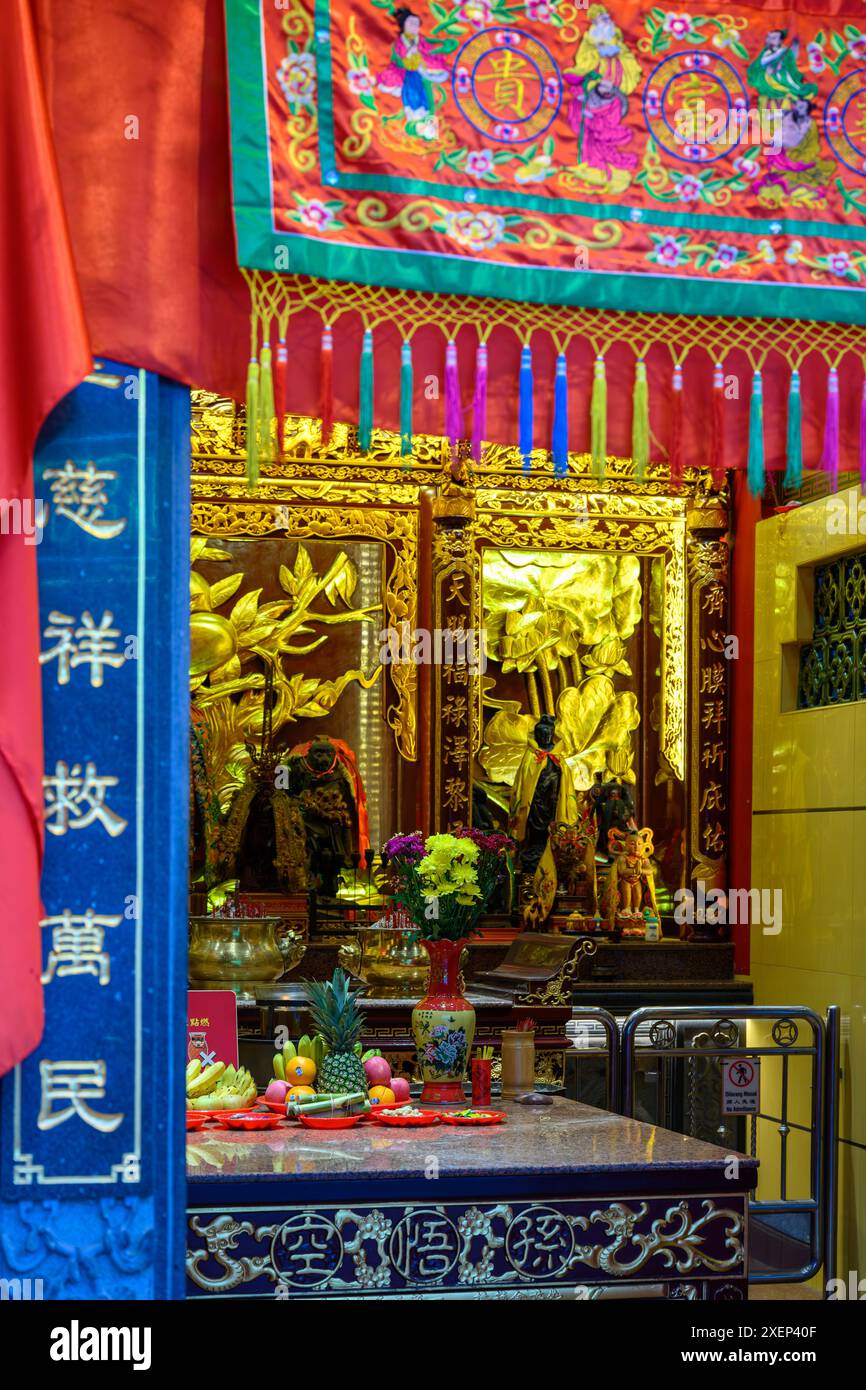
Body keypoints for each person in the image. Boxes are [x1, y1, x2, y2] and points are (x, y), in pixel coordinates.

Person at [378, 7, 448, 137]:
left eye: (416, 24)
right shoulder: (399, 43)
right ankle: (415, 129)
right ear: (403, 25)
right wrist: (408, 55)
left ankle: (430, 132)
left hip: (423, 74)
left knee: (429, 101)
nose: (414, 26)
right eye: (410, 23)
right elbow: (397, 59)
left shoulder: (422, 41)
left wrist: (423, 58)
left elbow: (430, 53)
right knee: (413, 101)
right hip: (408, 75)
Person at [753, 98, 834, 197]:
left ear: (807, 109)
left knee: (805, 167)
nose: (797, 108)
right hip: (781, 153)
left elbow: (813, 143)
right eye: (797, 105)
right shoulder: (787, 114)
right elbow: (767, 118)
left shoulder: (810, 123)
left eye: (801, 106)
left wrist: (803, 156)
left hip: (799, 155)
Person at [566, 74, 637, 178]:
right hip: (587, 130)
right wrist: (580, 103)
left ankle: (598, 170)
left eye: (608, 88)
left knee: (604, 143)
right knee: (587, 142)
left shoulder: (615, 102)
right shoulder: (589, 94)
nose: (604, 90)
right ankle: (591, 168)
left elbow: (610, 122)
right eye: (601, 86)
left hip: (603, 132)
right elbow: (576, 112)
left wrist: (593, 120)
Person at [747, 29, 817, 106]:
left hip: (782, 91)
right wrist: (765, 71)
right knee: (764, 114)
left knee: (783, 112)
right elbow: (755, 67)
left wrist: (776, 71)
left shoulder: (785, 52)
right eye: (768, 37)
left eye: (773, 38)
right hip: (765, 92)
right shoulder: (765, 52)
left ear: (780, 41)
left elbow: (791, 66)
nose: (770, 40)